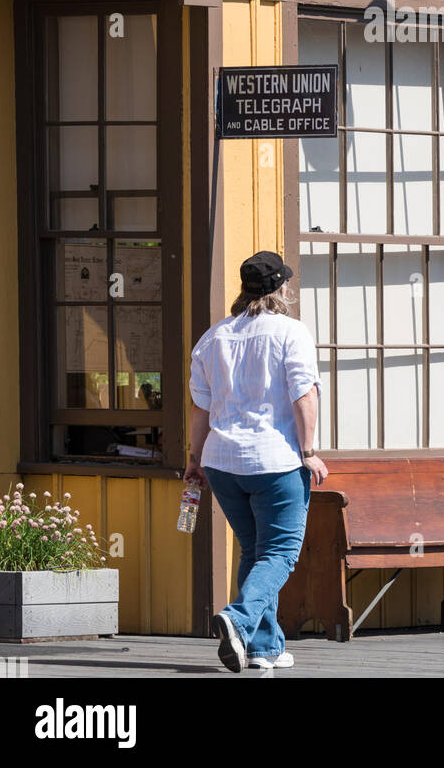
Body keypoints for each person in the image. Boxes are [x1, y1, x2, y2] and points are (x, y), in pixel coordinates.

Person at [184, 250, 328, 674]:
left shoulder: (213, 338)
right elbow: (305, 395)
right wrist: (310, 452)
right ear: (282, 288)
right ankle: (239, 619)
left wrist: (194, 460)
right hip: (276, 460)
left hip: (222, 462)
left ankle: (263, 647)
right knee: (280, 552)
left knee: (255, 550)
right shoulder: (291, 332)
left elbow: (200, 411)